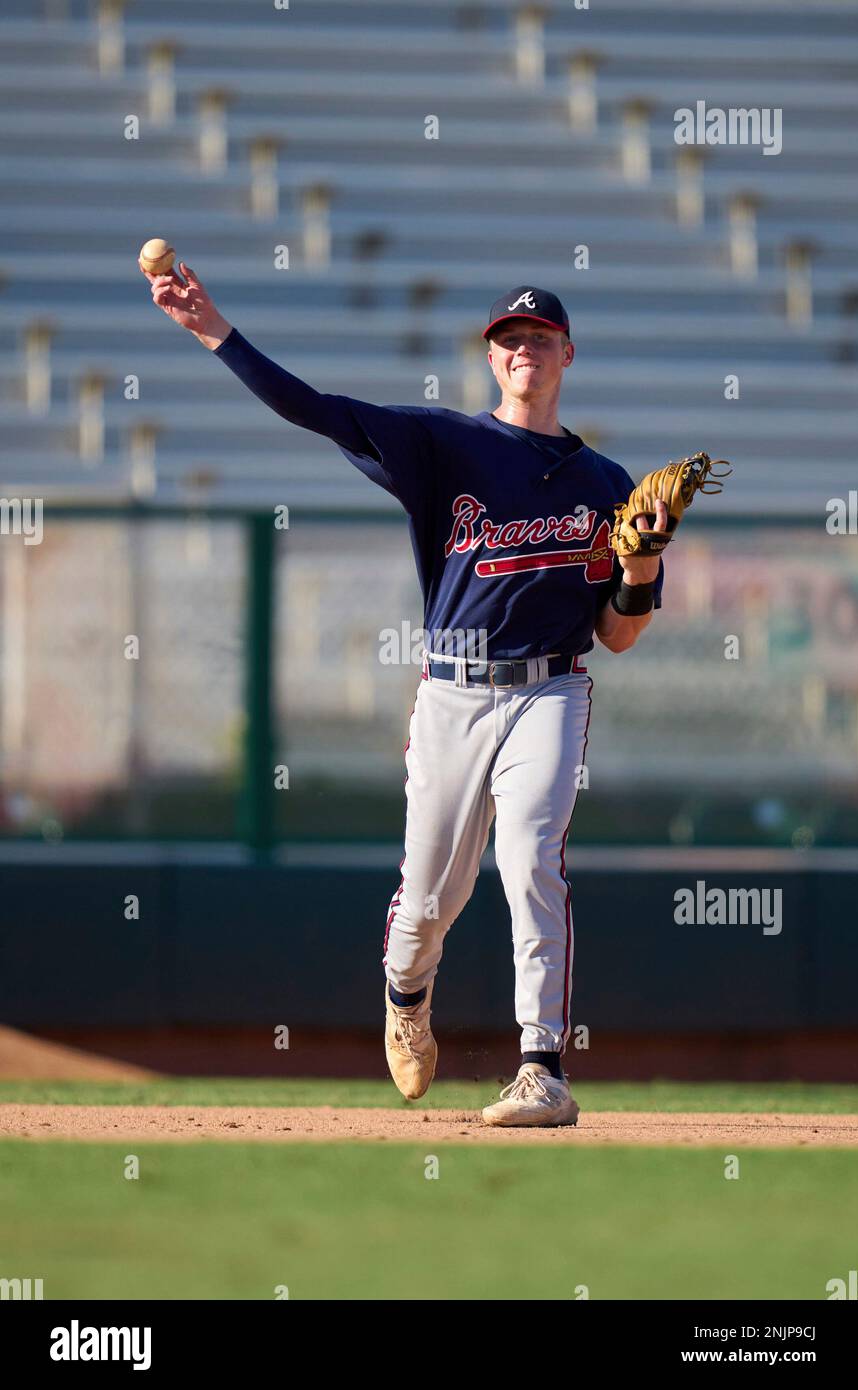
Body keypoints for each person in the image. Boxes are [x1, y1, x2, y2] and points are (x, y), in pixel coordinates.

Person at [143, 265, 666, 1127]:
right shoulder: (440, 445)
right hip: (453, 694)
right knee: (428, 903)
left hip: (552, 690)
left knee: (532, 858)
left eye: (539, 338)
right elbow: (310, 408)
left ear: (567, 353)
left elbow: (619, 633)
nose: (523, 350)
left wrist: (642, 566)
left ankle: (542, 1067)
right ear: (491, 359)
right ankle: (406, 994)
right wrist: (213, 330)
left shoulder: (610, 485)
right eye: (509, 340)